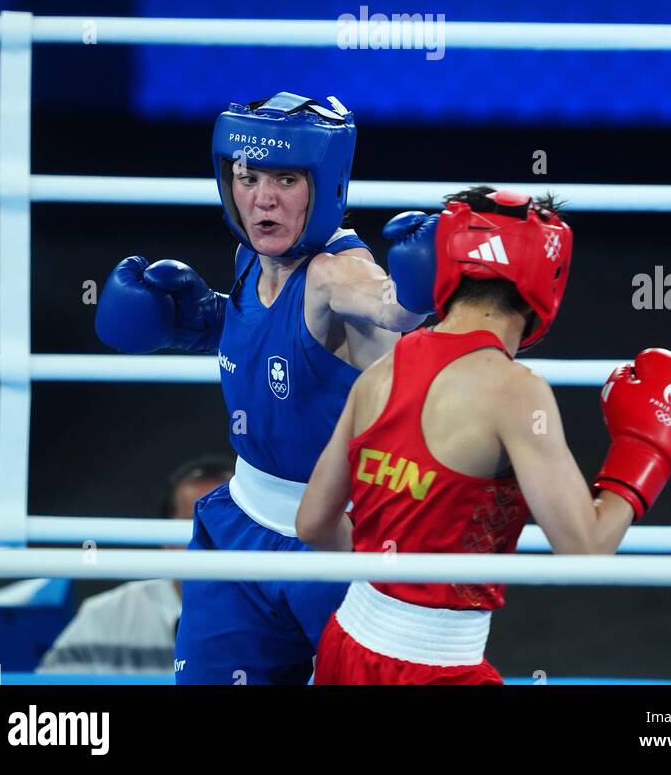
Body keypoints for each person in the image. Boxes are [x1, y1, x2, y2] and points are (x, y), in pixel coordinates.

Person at [296, 186, 671, 685]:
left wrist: (389, 590)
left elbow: (313, 523)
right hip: (439, 669)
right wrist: (645, 452)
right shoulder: (518, 392)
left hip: (346, 645)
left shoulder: (381, 370)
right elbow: (585, 552)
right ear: (548, 279)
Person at [95, 93, 431, 685]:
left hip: (339, 539)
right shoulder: (250, 258)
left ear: (324, 186)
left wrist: (426, 282)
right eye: (247, 177)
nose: (262, 198)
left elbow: (394, 310)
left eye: (285, 178)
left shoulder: (336, 273)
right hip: (239, 526)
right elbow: (268, 340)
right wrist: (201, 323)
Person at [37, 456, 231, 676]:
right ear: (166, 538)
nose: (212, 540)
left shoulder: (275, 616)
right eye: (194, 524)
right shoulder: (105, 617)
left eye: (227, 524)